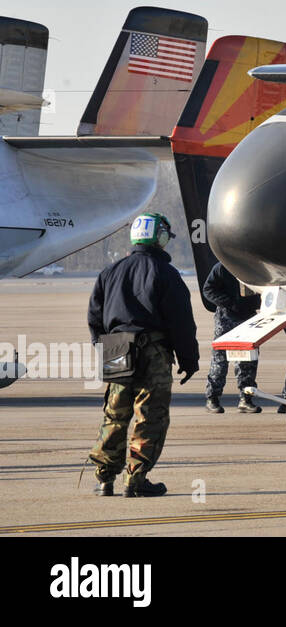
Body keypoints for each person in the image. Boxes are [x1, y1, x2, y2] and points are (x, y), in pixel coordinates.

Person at [86, 212, 199, 497]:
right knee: (150, 416)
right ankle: (135, 480)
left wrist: (103, 347)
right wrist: (189, 359)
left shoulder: (109, 272)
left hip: (115, 347)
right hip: (153, 351)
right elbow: (181, 321)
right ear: (159, 237)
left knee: (114, 415)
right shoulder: (166, 274)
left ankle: (104, 479)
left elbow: (94, 317)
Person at [202, 261, 262, 413]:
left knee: (248, 359)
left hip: (248, 318)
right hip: (226, 318)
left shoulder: (254, 266)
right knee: (220, 360)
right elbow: (208, 289)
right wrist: (229, 303)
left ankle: (246, 398)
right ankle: (212, 398)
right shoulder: (222, 267)